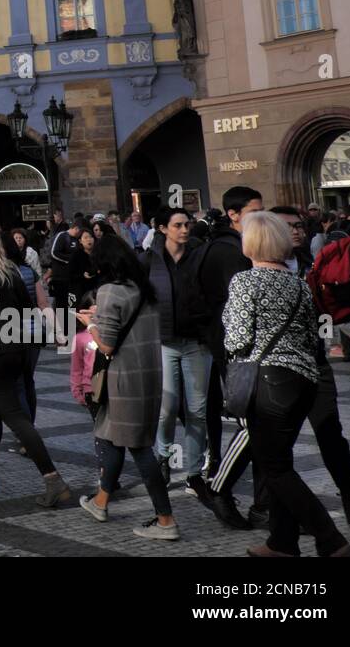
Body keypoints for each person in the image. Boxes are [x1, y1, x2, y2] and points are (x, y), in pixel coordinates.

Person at [224, 211, 350, 557]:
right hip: (303, 381)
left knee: (275, 467)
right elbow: (315, 336)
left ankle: (331, 540)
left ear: (251, 243)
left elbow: (236, 340)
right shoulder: (299, 284)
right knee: (280, 460)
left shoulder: (245, 282)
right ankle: (282, 543)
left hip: (268, 382)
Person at [78, 233, 178, 540]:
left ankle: (166, 520)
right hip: (148, 374)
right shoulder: (143, 290)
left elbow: (106, 345)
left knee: (138, 447)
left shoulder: (109, 291)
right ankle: (101, 501)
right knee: (111, 436)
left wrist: (89, 324)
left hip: (124, 378)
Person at [0, 223, 72, 508]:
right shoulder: (12, 271)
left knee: (14, 416)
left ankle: (52, 478)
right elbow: (28, 308)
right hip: (18, 348)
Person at [197, 186, 260, 521]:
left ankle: (265, 505)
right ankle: (220, 487)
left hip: (236, 346)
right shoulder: (229, 252)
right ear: (234, 214)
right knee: (253, 424)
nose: (259, 217)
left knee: (261, 427)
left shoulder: (232, 246)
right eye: (253, 210)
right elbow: (238, 307)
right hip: (239, 348)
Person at [147, 207, 213, 496]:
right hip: (163, 341)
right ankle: (162, 456)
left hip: (196, 342)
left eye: (187, 224)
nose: (184, 230)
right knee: (166, 408)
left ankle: (194, 471)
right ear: (163, 228)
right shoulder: (150, 259)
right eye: (178, 225)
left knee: (197, 410)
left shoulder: (200, 256)